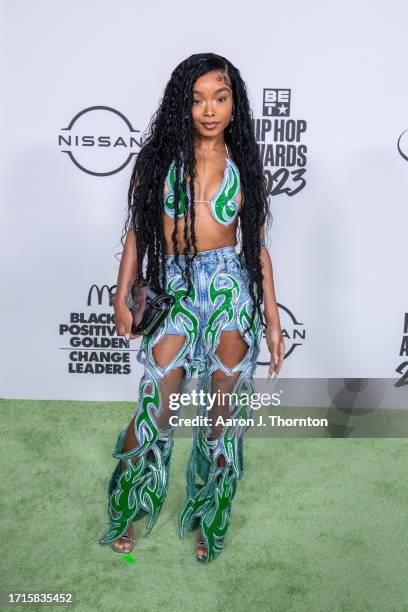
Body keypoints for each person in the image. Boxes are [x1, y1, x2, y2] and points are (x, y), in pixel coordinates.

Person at [98, 52, 285, 563]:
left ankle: (210, 512)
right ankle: (130, 508)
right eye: (198, 98)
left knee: (222, 412)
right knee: (156, 405)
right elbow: (137, 232)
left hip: (229, 288)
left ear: (233, 104)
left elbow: (257, 247)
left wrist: (272, 320)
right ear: (183, 104)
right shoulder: (158, 160)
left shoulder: (244, 162)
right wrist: (121, 294)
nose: (208, 109)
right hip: (174, 287)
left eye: (219, 98)